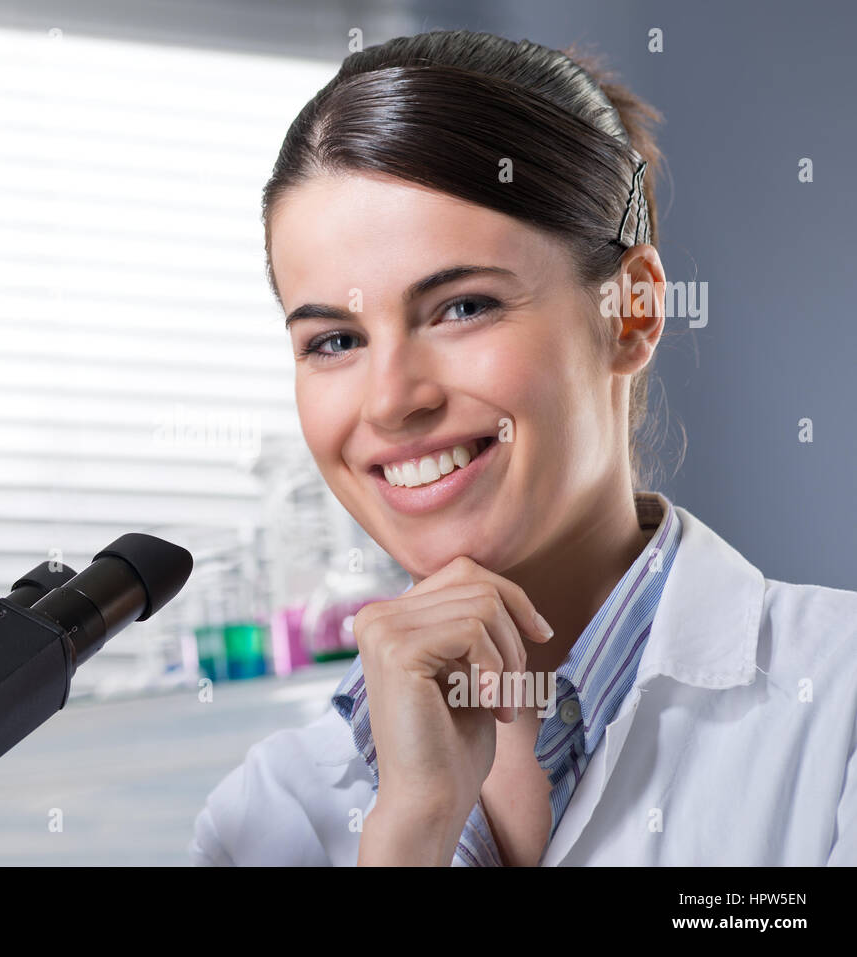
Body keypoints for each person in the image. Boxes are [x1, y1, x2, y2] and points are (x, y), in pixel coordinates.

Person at [187, 29, 857, 866]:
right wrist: (410, 832)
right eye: (333, 341)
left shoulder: (837, 706)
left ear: (633, 310)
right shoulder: (265, 816)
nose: (393, 400)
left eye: (462, 307)